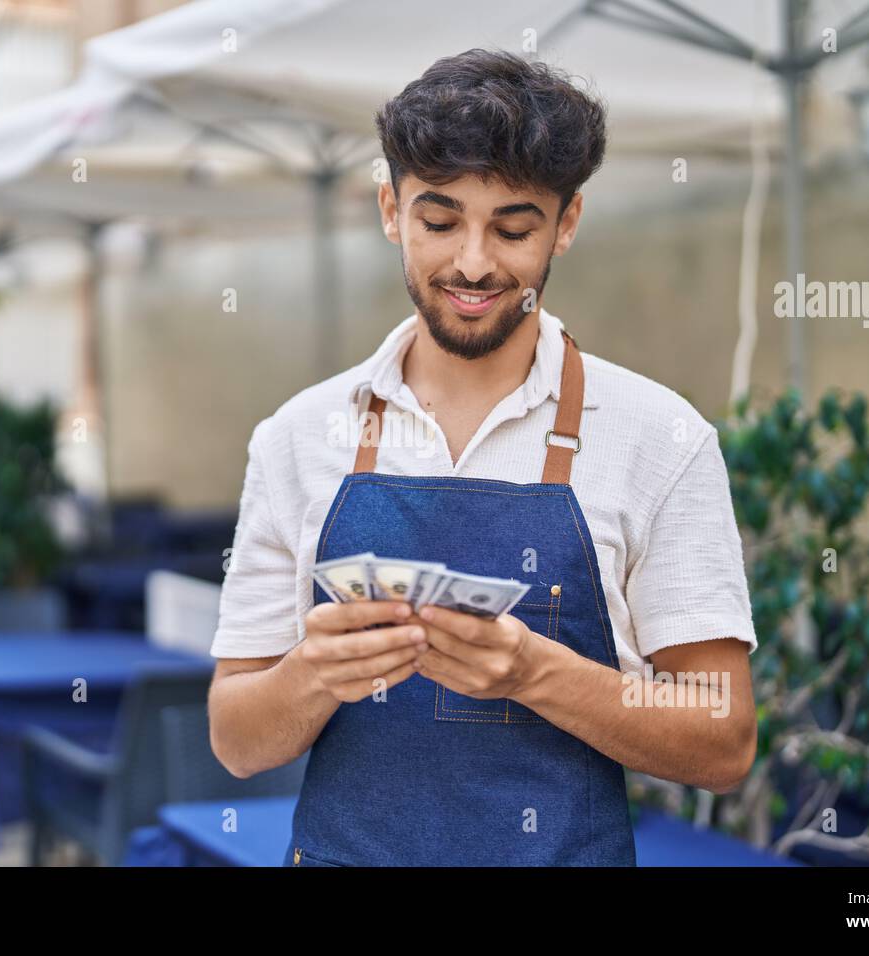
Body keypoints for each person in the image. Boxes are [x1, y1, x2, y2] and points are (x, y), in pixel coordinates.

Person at [208, 49, 757, 867]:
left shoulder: (660, 439)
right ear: (390, 209)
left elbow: (723, 740)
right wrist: (314, 672)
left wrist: (536, 672)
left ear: (566, 224)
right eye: (439, 221)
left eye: (513, 228)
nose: (472, 263)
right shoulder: (296, 437)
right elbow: (236, 739)